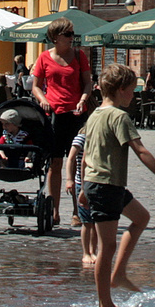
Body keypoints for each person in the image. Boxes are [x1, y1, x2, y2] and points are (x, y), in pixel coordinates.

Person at [78, 63, 155, 307]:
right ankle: (106, 304)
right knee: (107, 247)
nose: (134, 95)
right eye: (132, 90)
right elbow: (140, 150)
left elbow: (85, 154)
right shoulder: (118, 116)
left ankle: (120, 273)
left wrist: (84, 187)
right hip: (105, 186)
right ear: (121, 89)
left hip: (101, 184)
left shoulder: (94, 115)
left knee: (141, 218)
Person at [32, 18, 92, 223]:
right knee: (55, 162)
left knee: (77, 161)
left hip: (76, 114)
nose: (72, 38)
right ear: (56, 37)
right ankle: (54, 209)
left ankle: (77, 210)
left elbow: (87, 84)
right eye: (68, 34)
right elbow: (36, 86)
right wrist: (43, 100)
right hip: (55, 114)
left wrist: (83, 99)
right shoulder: (44, 58)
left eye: (72, 34)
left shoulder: (79, 55)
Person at [68, 87, 104, 268]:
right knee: (87, 223)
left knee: (95, 221)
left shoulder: (97, 136)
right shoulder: (83, 135)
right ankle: (86, 252)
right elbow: (72, 158)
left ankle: (94, 251)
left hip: (95, 183)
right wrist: (70, 180)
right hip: (83, 183)